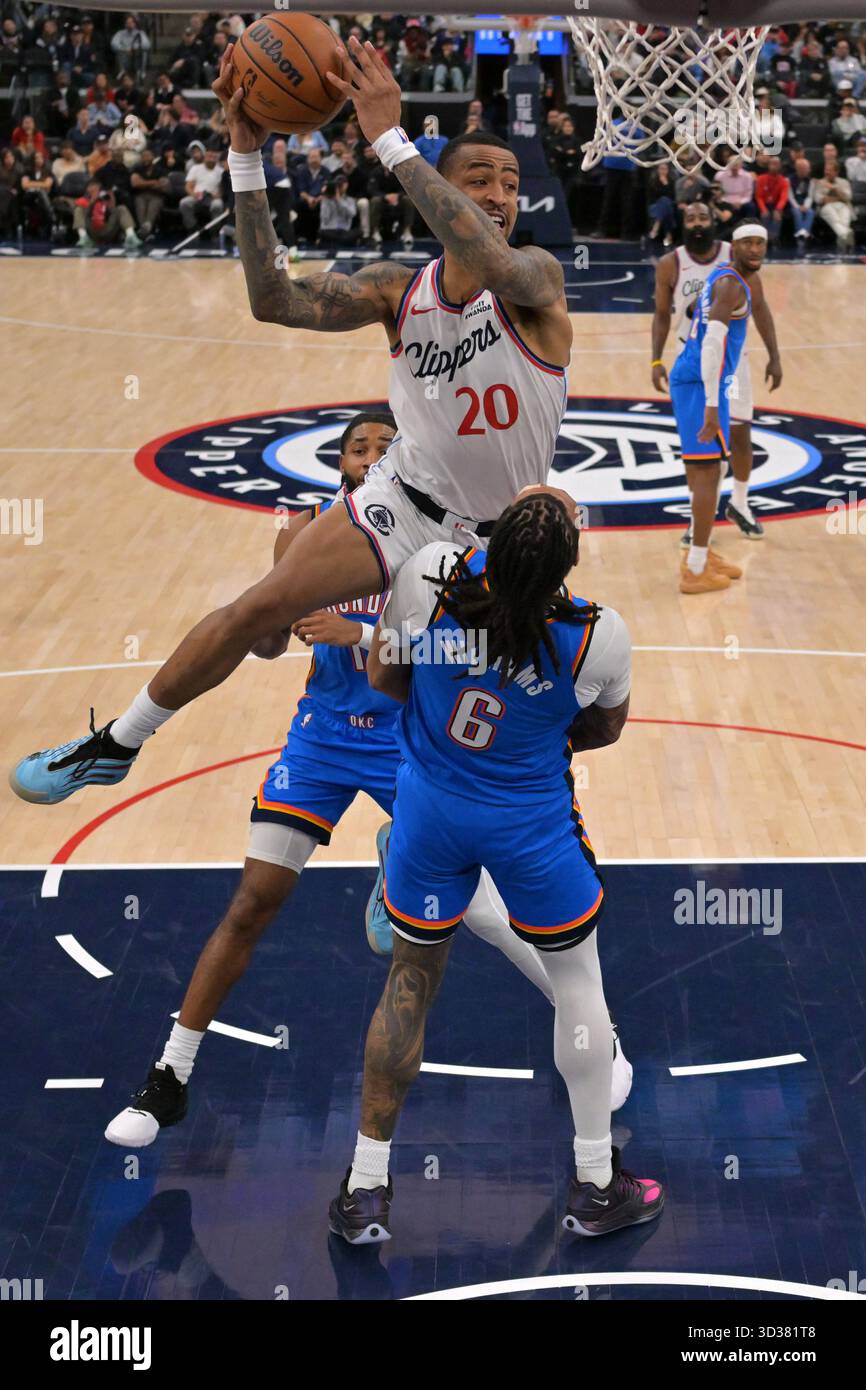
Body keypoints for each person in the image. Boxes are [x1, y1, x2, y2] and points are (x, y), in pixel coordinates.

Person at [9, 38, 572, 813]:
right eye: (479, 177)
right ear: (441, 187)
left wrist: (388, 138)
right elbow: (273, 299)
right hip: (404, 503)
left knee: (469, 714)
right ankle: (116, 744)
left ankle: (417, 854)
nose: (500, 193)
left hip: (499, 539)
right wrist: (246, 155)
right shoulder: (393, 291)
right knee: (260, 605)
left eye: (510, 182)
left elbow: (495, 262)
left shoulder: (537, 280)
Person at [102, 422, 629, 1147]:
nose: (376, 455)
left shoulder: (435, 545)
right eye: (361, 447)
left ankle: (604, 1042)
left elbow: (454, 644)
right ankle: (171, 1073)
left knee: (484, 917)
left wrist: (356, 636)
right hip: (320, 735)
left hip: (406, 741)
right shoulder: (307, 541)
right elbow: (259, 640)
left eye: (389, 445)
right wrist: (272, 620)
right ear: (343, 463)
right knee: (254, 901)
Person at [328, 490, 659, 1244]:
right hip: (529, 823)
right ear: (568, 562)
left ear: (493, 537)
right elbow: (601, 730)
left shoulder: (427, 576)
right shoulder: (597, 635)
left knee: (408, 982)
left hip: (430, 811)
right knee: (578, 985)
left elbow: (384, 678)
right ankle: (596, 1184)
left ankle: (367, 1189)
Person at [652, 203, 781, 545]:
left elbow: (761, 306)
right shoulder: (671, 263)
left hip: (732, 364)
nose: (697, 223)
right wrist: (655, 360)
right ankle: (699, 520)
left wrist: (774, 354)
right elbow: (662, 315)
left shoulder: (739, 256)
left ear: (713, 222)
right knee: (700, 448)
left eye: (703, 217)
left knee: (740, 433)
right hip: (694, 359)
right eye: (691, 218)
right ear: (683, 223)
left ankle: (739, 502)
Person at [668, 225, 768, 593]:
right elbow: (712, 345)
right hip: (700, 383)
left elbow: (699, 317)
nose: (755, 249)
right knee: (708, 472)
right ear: (734, 247)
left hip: (702, 380)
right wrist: (712, 404)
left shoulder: (722, 277)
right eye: (748, 243)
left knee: (714, 466)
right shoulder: (731, 285)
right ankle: (694, 569)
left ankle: (702, 552)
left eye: (761, 243)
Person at [73, 178, 142, 252]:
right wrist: (93, 200)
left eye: (97, 186)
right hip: (91, 231)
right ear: (87, 189)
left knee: (121, 208)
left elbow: (112, 210)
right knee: (78, 210)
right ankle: (83, 238)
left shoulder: (104, 196)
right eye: (92, 186)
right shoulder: (83, 199)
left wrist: (110, 197)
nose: (95, 188)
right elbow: (81, 212)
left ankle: (131, 236)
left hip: (106, 228)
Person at [180, 146, 224, 233]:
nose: (211, 159)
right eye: (209, 156)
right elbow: (188, 186)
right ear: (205, 156)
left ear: (216, 159)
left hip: (213, 197)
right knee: (184, 203)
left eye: (213, 157)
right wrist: (193, 194)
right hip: (198, 195)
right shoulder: (195, 168)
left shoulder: (221, 171)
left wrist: (219, 195)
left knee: (217, 205)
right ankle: (193, 228)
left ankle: (214, 230)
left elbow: (223, 189)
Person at [814, 157, 854, 249]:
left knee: (844, 219)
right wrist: (838, 198)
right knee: (834, 218)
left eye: (830, 170)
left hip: (844, 206)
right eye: (826, 170)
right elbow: (818, 199)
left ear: (836, 172)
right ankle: (846, 233)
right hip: (826, 207)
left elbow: (848, 197)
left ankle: (842, 238)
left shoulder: (844, 182)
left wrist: (834, 188)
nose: (827, 172)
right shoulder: (820, 182)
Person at [754, 154, 789, 250]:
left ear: (780, 166)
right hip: (763, 204)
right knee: (765, 215)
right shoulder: (761, 178)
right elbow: (758, 197)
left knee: (778, 215)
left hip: (776, 204)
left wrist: (778, 209)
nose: (774, 166)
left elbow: (783, 197)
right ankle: (764, 239)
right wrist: (763, 209)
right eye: (772, 164)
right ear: (768, 165)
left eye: (776, 164)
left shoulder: (784, 181)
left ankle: (774, 239)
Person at [788, 155, 816, 246]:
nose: (807, 170)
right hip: (793, 204)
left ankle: (802, 235)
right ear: (798, 169)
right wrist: (798, 207)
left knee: (810, 212)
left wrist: (806, 206)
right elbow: (790, 196)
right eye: (804, 168)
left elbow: (810, 196)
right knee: (797, 212)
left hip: (805, 203)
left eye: (807, 168)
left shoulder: (811, 181)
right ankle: (802, 237)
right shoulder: (789, 180)